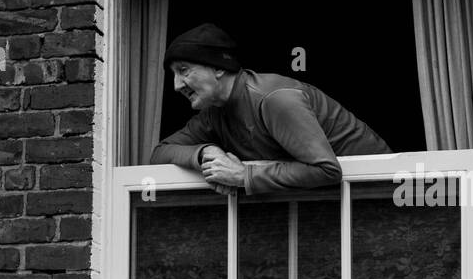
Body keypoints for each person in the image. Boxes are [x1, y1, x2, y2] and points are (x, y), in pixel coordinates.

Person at [150, 23, 391, 193]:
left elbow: (326, 171)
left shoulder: (275, 99)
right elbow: (160, 152)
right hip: (329, 201)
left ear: (218, 68)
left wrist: (243, 175)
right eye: (173, 74)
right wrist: (205, 154)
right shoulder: (212, 113)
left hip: (378, 191)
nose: (176, 85)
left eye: (183, 70)